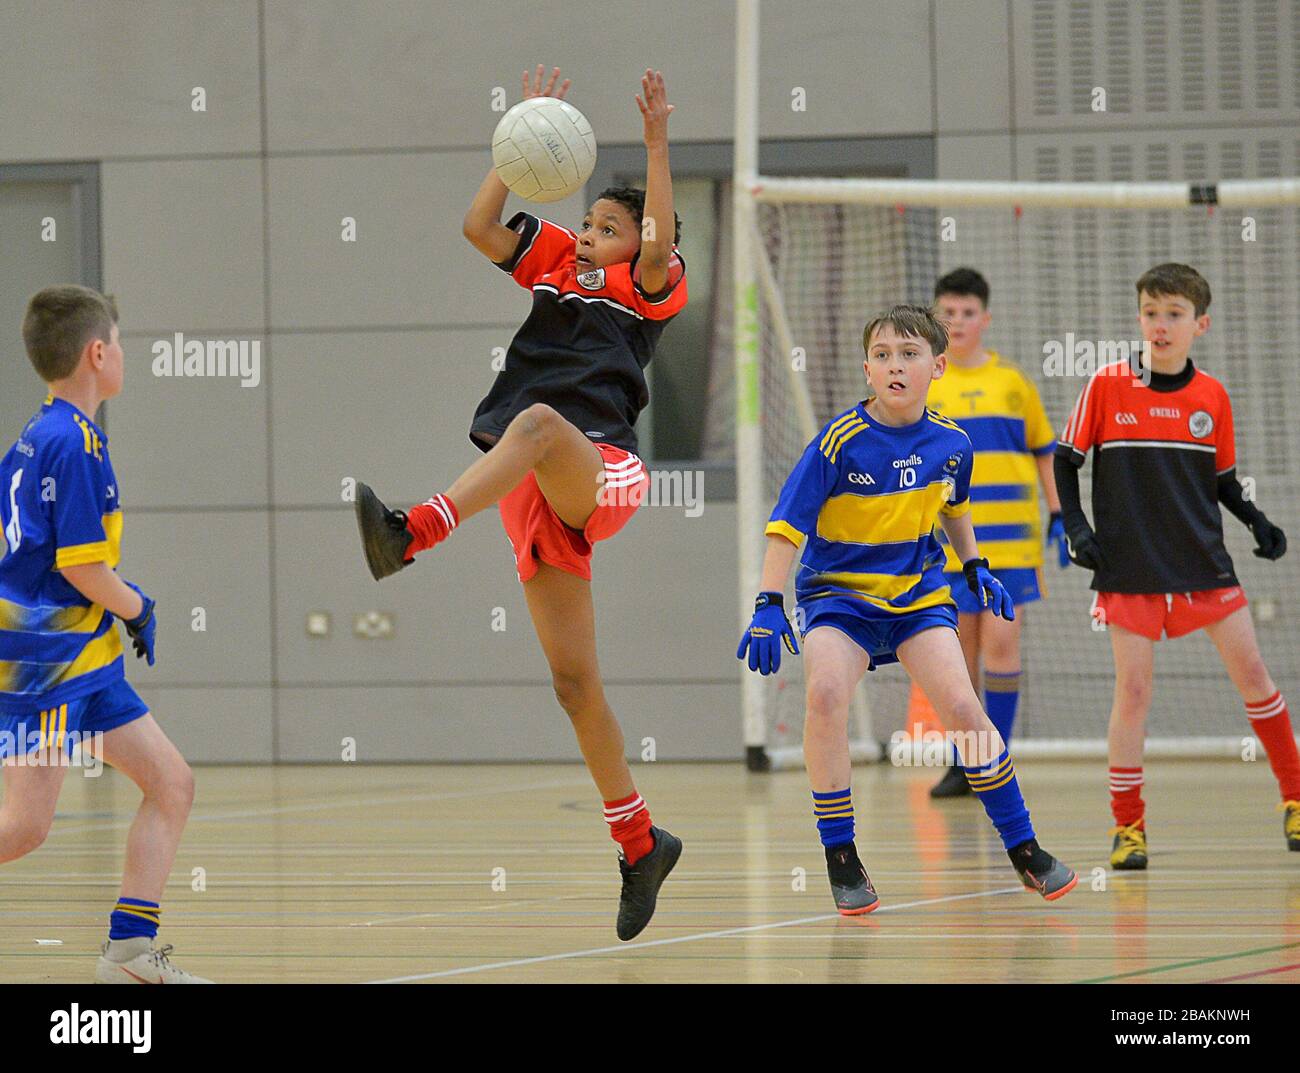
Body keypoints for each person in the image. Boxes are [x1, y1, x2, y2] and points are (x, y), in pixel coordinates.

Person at [354, 67, 687, 940]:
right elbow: (476, 225)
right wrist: (515, 137)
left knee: (538, 421)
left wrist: (654, 142)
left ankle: (412, 529)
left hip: (601, 466)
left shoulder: (646, 287)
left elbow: (653, 247)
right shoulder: (551, 266)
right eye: (586, 220)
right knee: (575, 685)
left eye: (605, 227)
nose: (587, 233)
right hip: (534, 488)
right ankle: (640, 841)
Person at [739, 304, 1077, 914]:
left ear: (937, 366)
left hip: (918, 598)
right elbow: (787, 525)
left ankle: (1024, 848)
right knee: (824, 696)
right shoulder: (838, 443)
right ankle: (841, 856)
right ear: (867, 369)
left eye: (910, 354)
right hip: (837, 598)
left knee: (963, 708)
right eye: (883, 355)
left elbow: (954, 506)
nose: (896, 365)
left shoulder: (953, 443)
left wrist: (974, 566)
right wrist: (767, 601)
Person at [1055, 262, 1297, 868]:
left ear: (1200, 323)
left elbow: (1221, 480)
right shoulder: (1107, 385)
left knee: (1255, 680)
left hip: (1201, 564)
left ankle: (1295, 798)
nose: (1160, 326)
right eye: (1150, 313)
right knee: (1132, 692)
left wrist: (1256, 521)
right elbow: (1066, 460)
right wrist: (1077, 527)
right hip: (1129, 567)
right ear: (1139, 318)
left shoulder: (1211, 396)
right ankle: (1128, 828)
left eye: (1174, 315)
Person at [0, 285, 208, 983]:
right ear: (97, 353)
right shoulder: (73, 444)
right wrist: (137, 606)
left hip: (86, 662)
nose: (123, 354)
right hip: (50, 666)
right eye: (118, 342)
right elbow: (82, 563)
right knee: (24, 828)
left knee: (172, 782)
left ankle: (129, 953)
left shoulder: (42, 434)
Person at [926, 268, 1068, 797]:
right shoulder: (927, 382)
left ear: (985, 319)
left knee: (1003, 644)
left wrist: (1059, 515)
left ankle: (995, 759)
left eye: (967, 313)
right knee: (959, 654)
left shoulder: (1013, 382)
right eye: (948, 312)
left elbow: (1044, 451)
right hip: (949, 549)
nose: (957, 322)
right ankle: (967, 759)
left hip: (1012, 545)